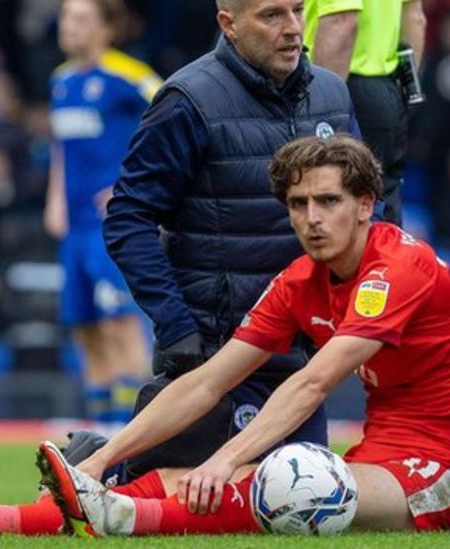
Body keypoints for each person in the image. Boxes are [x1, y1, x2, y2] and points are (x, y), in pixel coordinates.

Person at [0, 136, 450, 537]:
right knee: (175, 476)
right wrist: (103, 461)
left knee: (283, 480)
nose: (310, 218)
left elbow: (312, 382)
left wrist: (224, 461)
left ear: (365, 204)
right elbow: (210, 379)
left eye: (327, 201)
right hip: (377, 454)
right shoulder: (302, 277)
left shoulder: (398, 267)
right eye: (298, 204)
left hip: (442, 472)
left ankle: (109, 517)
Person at [102, 0, 358, 478]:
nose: (292, 29)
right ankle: (103, 462)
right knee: (175, 505)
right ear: (229, 24)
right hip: (214, 357)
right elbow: (128, 217)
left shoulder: (331, 95)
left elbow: (365, 207)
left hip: (301, 359)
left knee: (297, 507)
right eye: (272, 15)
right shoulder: (188, 100)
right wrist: (175, 326)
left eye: (298, 11)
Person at [44, 0, 158, 424]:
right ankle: (103, 433)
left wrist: (134, 188)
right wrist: (53, 199)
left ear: (107, 28)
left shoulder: (131, 77)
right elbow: (61, 147)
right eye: (65, 18)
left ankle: (138, 433)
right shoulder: (60, 81)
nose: (68, 27)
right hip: (73, 227)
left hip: (112, 228)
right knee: (86, 329)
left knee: (120, 325)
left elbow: (174, 123)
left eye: (80, 19)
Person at [303, 0, 426, 226]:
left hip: (341, 84)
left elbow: (341, 20)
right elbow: (414, 16)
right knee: (381, 212)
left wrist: (320, 109)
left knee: (332, 210)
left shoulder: (330, 95)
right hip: (386, 88)